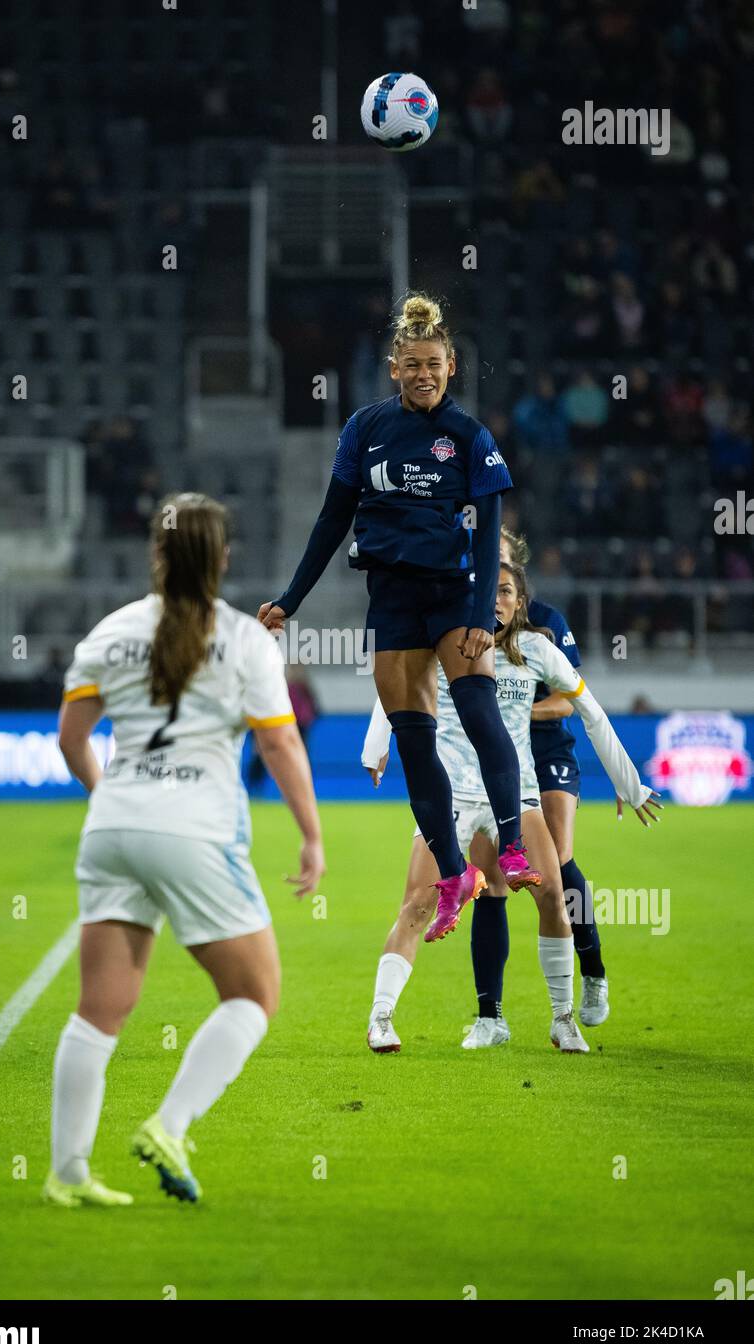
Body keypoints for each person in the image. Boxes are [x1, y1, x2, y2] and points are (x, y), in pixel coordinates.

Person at [47, 493, 325, 1208]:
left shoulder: (111, 632)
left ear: (156, 554)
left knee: (99, 1009)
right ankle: (169, 1126)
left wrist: (112, 799)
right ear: (223, 558)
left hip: (113, 825)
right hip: (196, 828)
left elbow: (71, 739)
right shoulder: (242, 639)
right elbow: (279, 741)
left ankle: (67, 1174)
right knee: (254, 994)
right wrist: (311, 834)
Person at [258, 292, 539, 947]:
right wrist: (291, 599)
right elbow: (332, 519)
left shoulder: (469, 437)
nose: (423, 374)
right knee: (415, 744)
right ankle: (450, 875)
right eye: (412, 363)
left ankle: (514, 846)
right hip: (391, 601)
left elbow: (491, 525)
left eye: (434, 363)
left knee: (478, 714)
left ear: (451, 366)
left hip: (453, 597)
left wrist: (478, 615)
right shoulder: (364, 429)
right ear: (394, 366)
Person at [362, 561, 660, 1053]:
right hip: (451, 796)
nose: (495, 599)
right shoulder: (445, 644)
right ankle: (381, 1018)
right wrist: (377, 743)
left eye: (505, 592)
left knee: (553, 897)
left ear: (519, 602)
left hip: (514, 797)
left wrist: (629, 784)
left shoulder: (538, 651)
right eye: (486, 591)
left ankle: (563, 1019)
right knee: (418, 904)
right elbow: (395, 684)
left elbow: (591, 712)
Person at [502, 527, 610, 1024]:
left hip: (547, 755)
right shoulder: (469, 621)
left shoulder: (547, 623)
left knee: (559, 861)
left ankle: (593, 973)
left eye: (502, 561)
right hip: (496, 760)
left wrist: (518, 712)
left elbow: (570, 699)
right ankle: (490, 1012)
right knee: (493, 882)